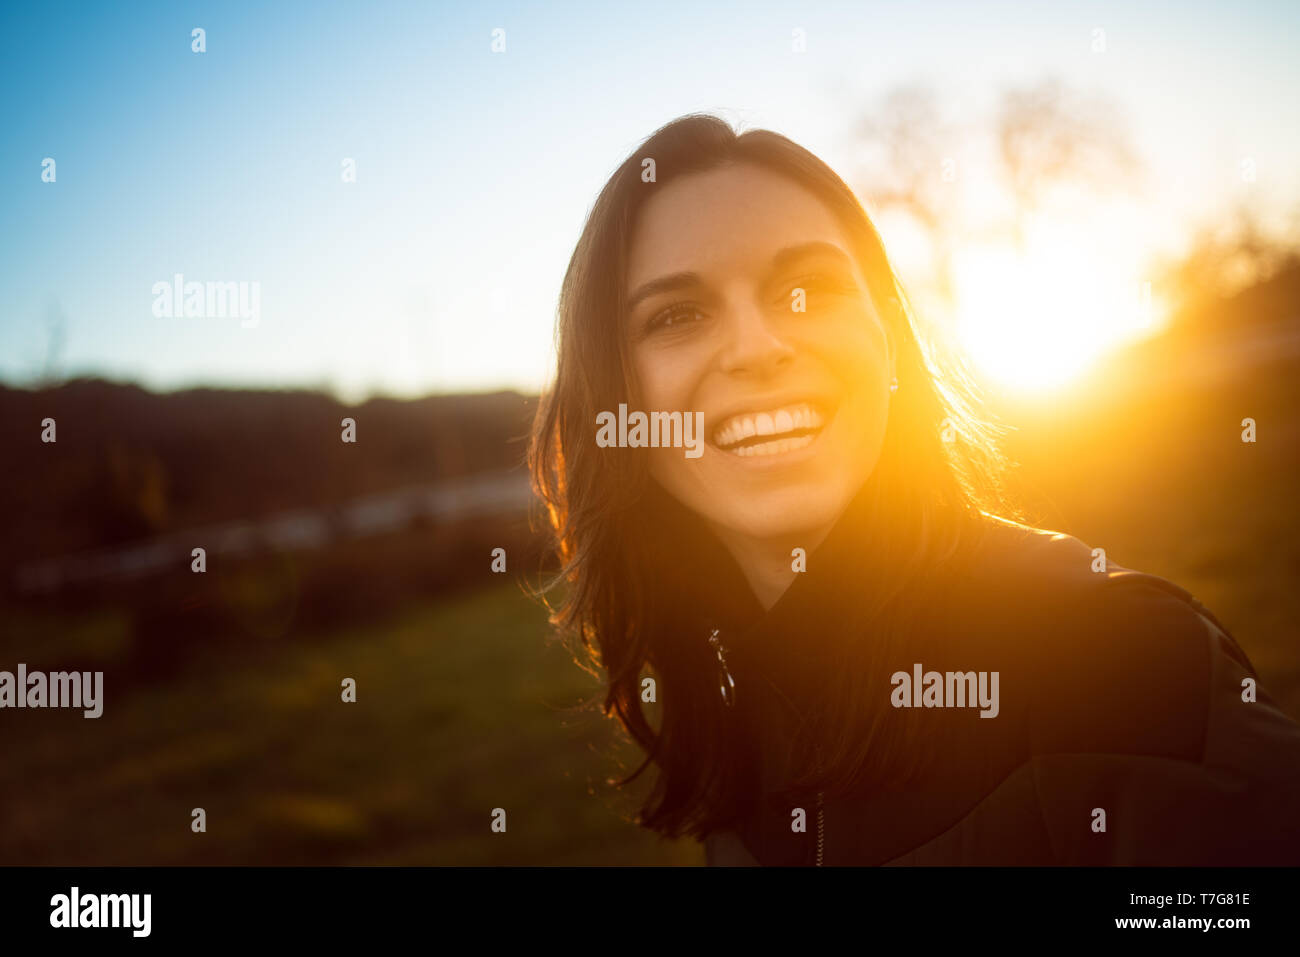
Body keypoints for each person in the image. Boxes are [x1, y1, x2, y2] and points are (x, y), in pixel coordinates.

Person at [527, 112, 1300, 865]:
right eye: (679, 314)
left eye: (808, 288)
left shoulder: (1112, 655)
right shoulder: (726, 717)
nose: (758, 347)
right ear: (612, 401)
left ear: (891, 340)